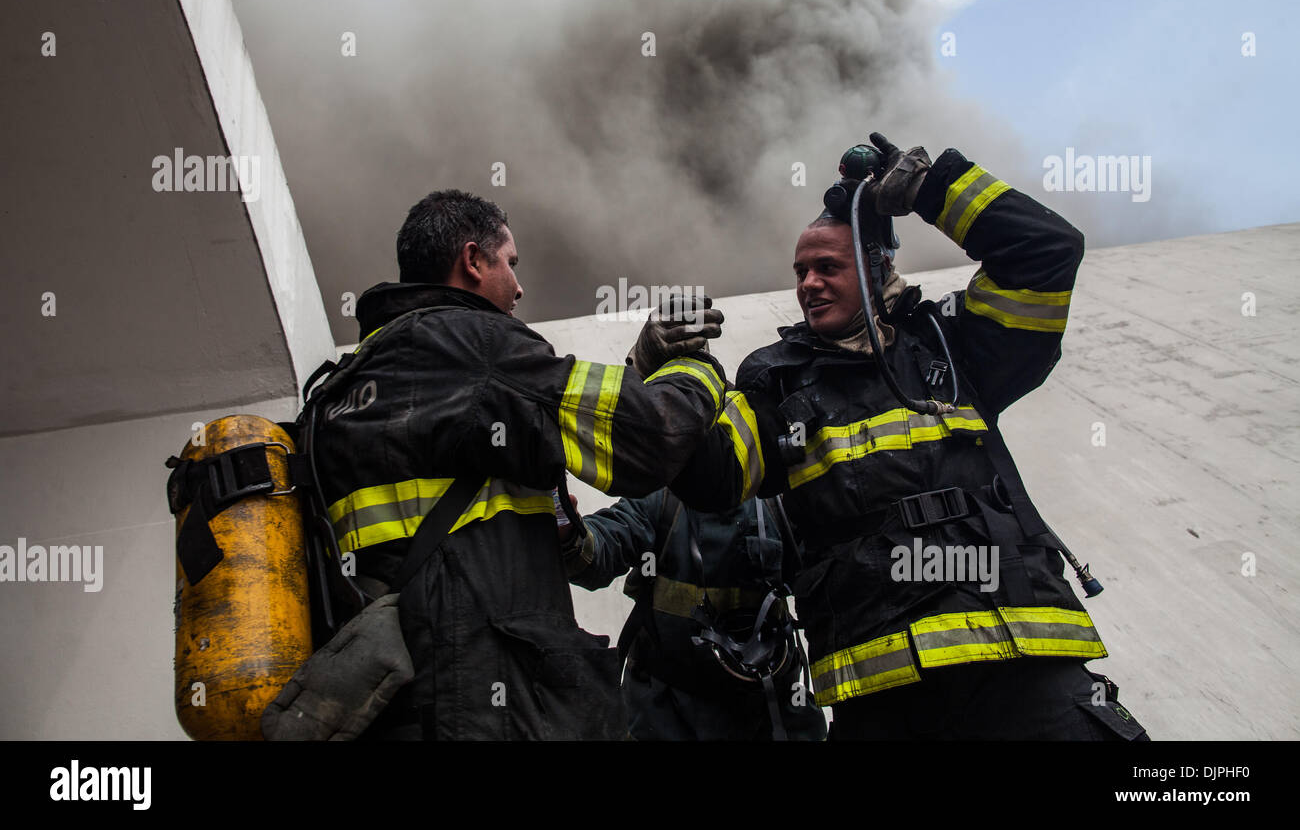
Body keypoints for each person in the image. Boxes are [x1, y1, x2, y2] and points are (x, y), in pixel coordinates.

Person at [672, 134, 1149, 740]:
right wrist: (668, 370)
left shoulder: (954, 344)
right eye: (801, 272)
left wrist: (934, 187)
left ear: (877, 270)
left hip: (1020, 658)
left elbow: (1046, 251)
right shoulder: (775, 378)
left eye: (828, 267)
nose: (809, 284)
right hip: (885, 688)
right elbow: (710, 476)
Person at [311, 189, 727, 740]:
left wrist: (638, 361)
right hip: (486, 694)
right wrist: (697, 370)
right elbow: (647, 433)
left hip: (387, 700)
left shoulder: (340, 385)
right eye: (510, 263)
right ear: (473, 261)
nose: (520, 285)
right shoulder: (477, 345)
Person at [560, 479, 827, 741]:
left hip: (764, 712)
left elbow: (826, 572)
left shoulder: (777, 502)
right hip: (665, 714)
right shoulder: (662, 501)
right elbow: (605, 545)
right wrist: (572, 535)